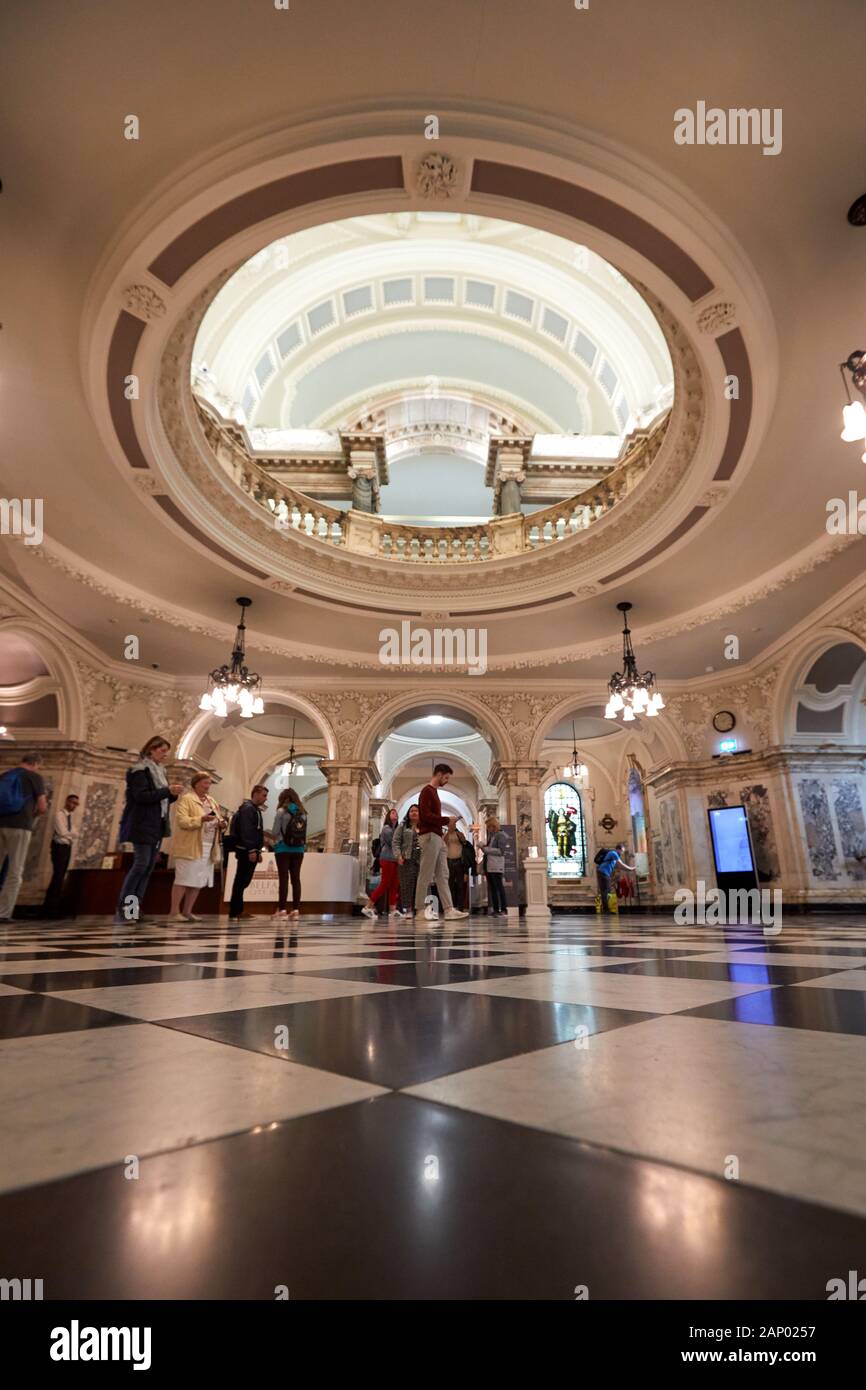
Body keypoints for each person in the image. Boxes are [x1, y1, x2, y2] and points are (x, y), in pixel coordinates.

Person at [114, 737, 184, 925]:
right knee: (140, 864)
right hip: (141, 823)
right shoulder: (139, 771)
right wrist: (167, 791)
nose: (164, 755)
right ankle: (126, 909)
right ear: (151, 749)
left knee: (147, 868)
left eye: (166, 752)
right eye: (162, 751)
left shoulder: (161, 771)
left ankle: (135, 909)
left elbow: (162, 799)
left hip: (157, 824)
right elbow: (141, 796)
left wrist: (172, 795)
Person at [168, 774, 225, 922]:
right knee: (184, 878)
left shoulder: (212, 801)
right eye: (205, 783)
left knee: (198, 879)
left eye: (209, 783)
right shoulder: (187, 799)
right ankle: (174, 911)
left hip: (208, 845)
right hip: (190, 845)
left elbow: (219, 818)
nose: (208, 786)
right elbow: (182, 821)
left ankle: (187, 911)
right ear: (196, 784)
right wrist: (201, 819)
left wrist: (222, 823)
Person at [414, 764, 468, 920]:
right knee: (426, 873)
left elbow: (432, 817)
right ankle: (420, 910)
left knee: (443, 875)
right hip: (429, 836)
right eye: (446, 777)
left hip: (437, 837)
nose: (447, 780)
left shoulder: (434, 792)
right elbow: (425, 816)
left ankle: (449, 909)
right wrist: (447, 819)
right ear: (438, 774)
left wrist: (446, 822)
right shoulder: (427, 791)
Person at [0, 752, 47, 922]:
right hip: (20, 825)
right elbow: (42, 807)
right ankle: (3, 913)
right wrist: (31, 815)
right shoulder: (34, 777)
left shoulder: (5, 775)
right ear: (36, 763)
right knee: (15, 870)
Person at [228, 783, 268, 921]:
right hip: (245, 850)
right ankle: (235, 911)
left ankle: (238, 910)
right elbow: (247, 831)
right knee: (241, 880)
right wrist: (251, 850)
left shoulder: (254, 809)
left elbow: (256, 831)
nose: (265, 798)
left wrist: (258, 851)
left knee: (244, 880)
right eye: (264, 795)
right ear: (255, 794)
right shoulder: (248, 809)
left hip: (251, 849)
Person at [271, 786, 307, 920]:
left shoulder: (281, 811)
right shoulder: (303, 813)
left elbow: (275, 832)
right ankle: (296, 910)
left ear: (282, 799)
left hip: (282, 849)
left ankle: (282, 910)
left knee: (283, 879)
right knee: (296, 879)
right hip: (299, 849)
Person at [43, 791, 80, 917]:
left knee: (61, 875)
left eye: (76, 804)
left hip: (66, 847)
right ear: (67, 802)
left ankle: (54, 905)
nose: (74, 805)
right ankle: (49, 907)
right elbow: (62, 832)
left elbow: (76, 833)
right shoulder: (59, 815)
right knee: (58, 875)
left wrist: (70, 835)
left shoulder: (70, 817)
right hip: (59, 847)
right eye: (73, 802)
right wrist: (70, 835)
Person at [361, 807, 401, 919]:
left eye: (396, 813)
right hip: (387, 858)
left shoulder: (395, 829)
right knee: (384, 884)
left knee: (394, 885)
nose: (395, 815)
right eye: (393, 813)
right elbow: (394, 841)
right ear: (388, 816)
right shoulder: (386, 829)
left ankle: (392, 910)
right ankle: (368, 907)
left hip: (395, 860)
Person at [392, 802, 421, 920]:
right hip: (406, 859)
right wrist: (398, 856)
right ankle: (408, 910)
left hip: (421, 860)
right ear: (408, 814)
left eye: (416, 811)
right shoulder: (403, 826)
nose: (414, 812)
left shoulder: (424, 826)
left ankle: (420, 909)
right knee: (406, 885)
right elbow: (395, 842)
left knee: (421, 885)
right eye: (411, 811)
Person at [596, 842, 636, 914]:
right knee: (605, 891)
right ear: (618, 849)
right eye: (622, 851)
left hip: (604, 873)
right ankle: (605, 910)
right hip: (603, 872)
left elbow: (619, 866)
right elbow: (621, 864)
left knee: (607, 891)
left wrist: (629, 869)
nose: (622, 853)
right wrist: (630, 868)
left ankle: (605, 909)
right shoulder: (613, 853)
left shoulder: (614, 856)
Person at [483, 816, 509, 917]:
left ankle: (504, 909)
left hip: (496, 865)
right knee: (493, 888)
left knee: (499, 887)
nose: (488, 829)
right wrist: (484, 848)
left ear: (493, 826)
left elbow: (501, 851)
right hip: (490, 865)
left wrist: (486, 849)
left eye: (489, 827)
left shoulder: (501, 835)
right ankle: (496, 910)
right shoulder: (492, 836)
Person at [444, 819, 469, 911]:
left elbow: (464, 841)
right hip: (449, 861)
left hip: (459, 861)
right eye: (450, 823)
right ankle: (451, 906)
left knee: (460, 885)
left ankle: (460, 907)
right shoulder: (446, 834)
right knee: (450, 885)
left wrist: (457, 832)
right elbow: (443, 843)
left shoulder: (459, 833)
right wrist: (448, 832)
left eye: (453, 823)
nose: (452, 825)